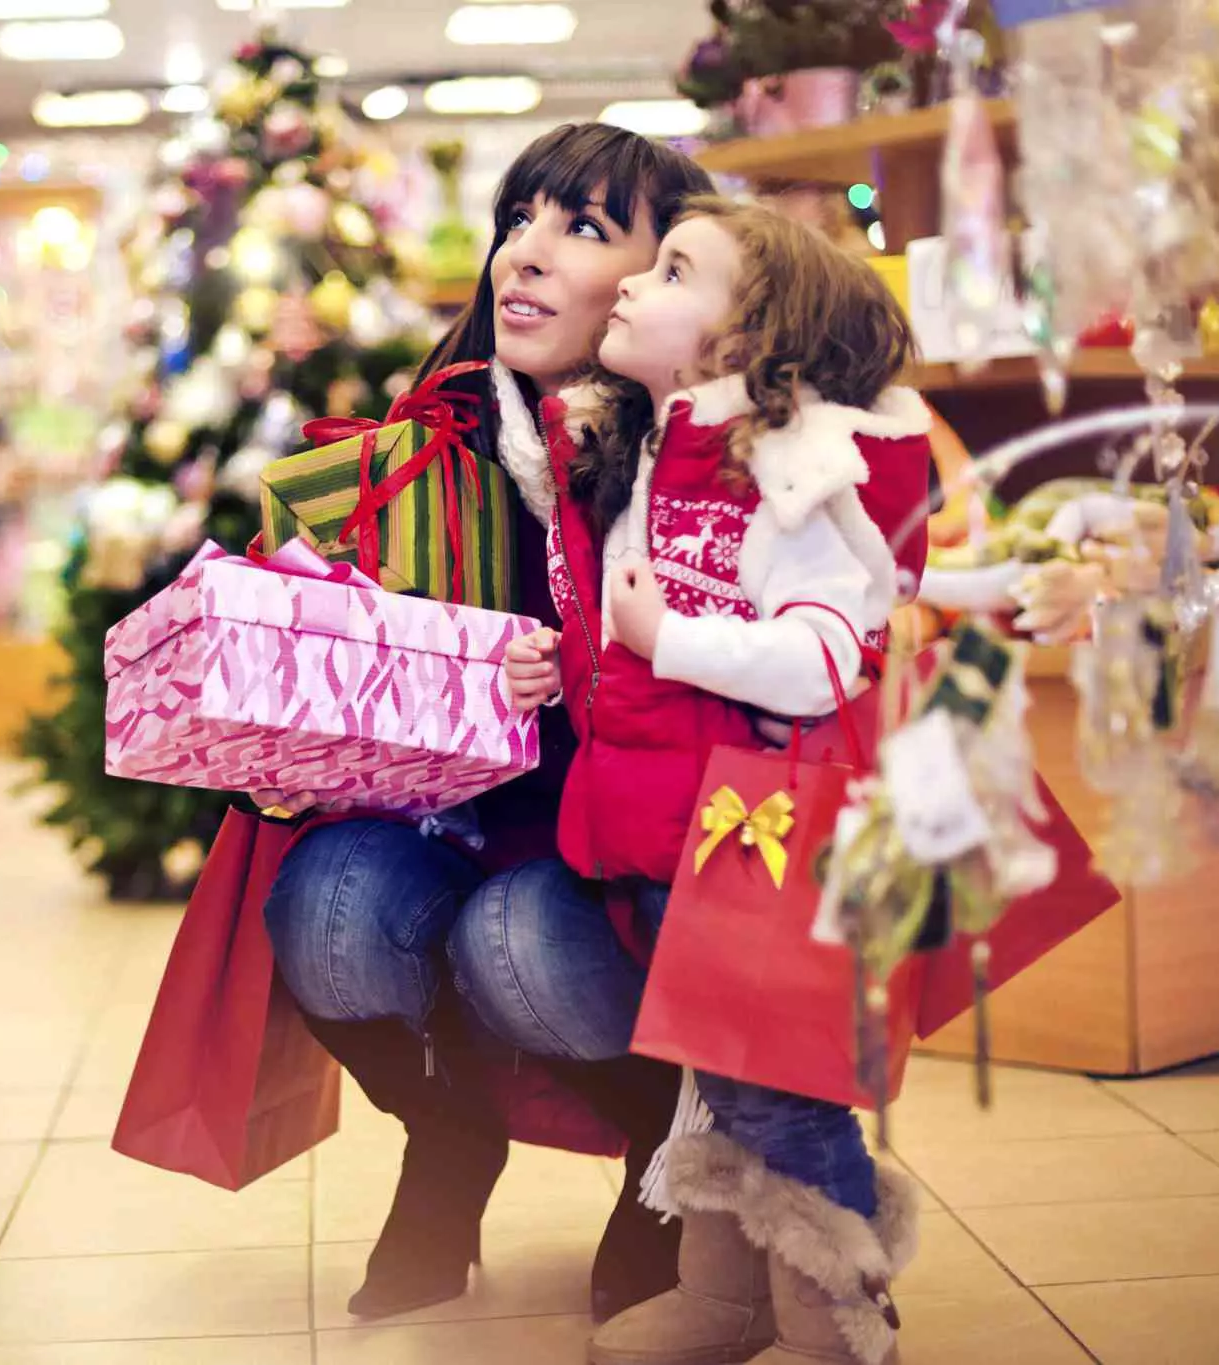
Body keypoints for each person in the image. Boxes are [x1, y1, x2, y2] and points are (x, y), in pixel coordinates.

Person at [257, 123, 715, 1326]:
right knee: (325, 905)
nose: (524, 253)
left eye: (581, 228)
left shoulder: (692, 462)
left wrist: (581, 669)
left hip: (613, 855)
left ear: (676, 279)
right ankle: (447, 1141)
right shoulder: (435, 441)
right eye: (520, 218)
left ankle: (665, 1162)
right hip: (442, 817)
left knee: (516, 938)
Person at [492, 197, 934, 1365]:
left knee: (781, 1093)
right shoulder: (649, 450)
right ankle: (726, 1296)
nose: (633, 282)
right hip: (671, 831)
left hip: (762, 834)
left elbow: (829, 650)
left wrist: (662, 641)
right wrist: (569, 656)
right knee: (719, 1084)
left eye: (673, 270)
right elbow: (638, 618)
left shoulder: (784, 471)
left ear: (746, 339)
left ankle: (834, 1322)